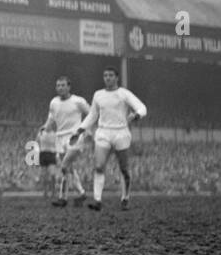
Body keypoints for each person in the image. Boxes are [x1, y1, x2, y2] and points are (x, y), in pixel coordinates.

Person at [73, 67, 147, 210]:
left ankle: (125, 197)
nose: (107, 78)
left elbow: (142, 107)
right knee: (99, 166)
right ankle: (97, 200)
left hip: (121, 133)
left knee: (124, 169)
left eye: (110, 75)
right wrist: (80, 129)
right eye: (105, 75)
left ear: (116, 77)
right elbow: (92, 115)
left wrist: (136, 115)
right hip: (103, 132)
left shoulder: (124, 94)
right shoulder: (98, 95)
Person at [42, 76, 90, 207]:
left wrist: (85, 131)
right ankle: (82, 193)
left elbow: (92, 114)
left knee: (64, 166)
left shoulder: (78, 101)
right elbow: (51, 118)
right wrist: (45, 127)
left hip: (75, 137)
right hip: (60, 138)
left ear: (69, 87)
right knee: (68, 168)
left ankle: (62, 198)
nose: (60, 88)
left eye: (63, 85)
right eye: (58, 85)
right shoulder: (54, 102)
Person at [35, 126, 59, 198]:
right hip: (43, 154)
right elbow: (36, 142)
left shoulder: (54, 134)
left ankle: (53, 192)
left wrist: (57, 155)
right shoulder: (41, 133)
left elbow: (57, 145)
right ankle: (45, 192)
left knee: (52, 174)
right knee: (44, 174)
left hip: (51, 154)